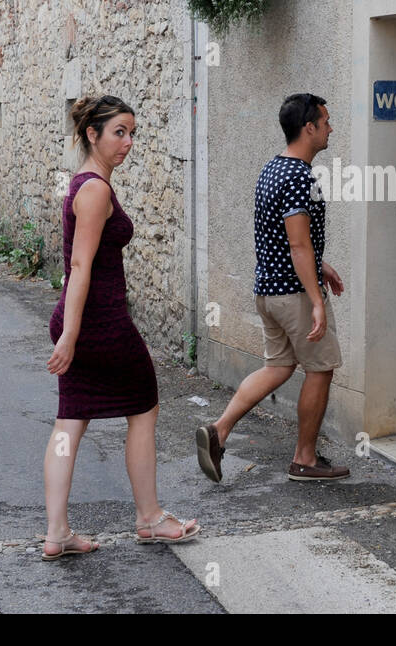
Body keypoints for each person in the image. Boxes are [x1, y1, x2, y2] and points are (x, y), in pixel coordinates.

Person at [42, 94, 199, 559]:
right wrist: (71, 335)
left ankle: (57, 533)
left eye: (132, 133)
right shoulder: (95, 190)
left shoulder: (85, 184)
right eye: (119, 132)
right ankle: (149, 518)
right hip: (101, 323)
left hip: (84, 322)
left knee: (69, 423)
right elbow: (79, 264)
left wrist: (70, 332)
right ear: (93, 135)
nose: (128, 142)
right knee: (144, 407)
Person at [196, 93, 349, 483]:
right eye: (326, 122)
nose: (331, 128)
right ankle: (305, 459)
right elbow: (297, 243)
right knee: (321, 368)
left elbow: (285, 238)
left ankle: (219, 429)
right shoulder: (300, 176)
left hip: (269, 290)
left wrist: (321, 265)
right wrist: (316, 300)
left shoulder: (272, 169)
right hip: (294, 295)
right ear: (309, 128)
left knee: (278, 366)